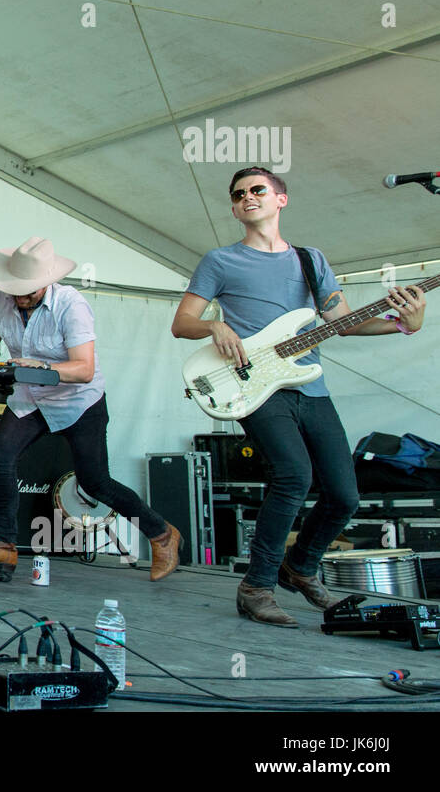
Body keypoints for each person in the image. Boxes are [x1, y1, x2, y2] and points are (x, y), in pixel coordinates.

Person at [172, 166, 425, 626]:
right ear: (234, 208)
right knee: (292, 475)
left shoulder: (311, 260)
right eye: (239, 194)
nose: (248, 196)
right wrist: (213, 324)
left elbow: (342, 322)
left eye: (257, 190)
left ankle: (300, 567)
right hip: (255, 386)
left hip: (311, 385)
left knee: (345, 495)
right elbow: (181, 323)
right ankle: (256, 586)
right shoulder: (220, 261)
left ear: (280, 199)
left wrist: (403, 323)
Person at [0, 236, 182, 580]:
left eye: (28, 289)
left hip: (79, 401)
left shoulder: (72, 304)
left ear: (47, 281)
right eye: (14, 288)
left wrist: (41, 368)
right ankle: (4, 547)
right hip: (30, 399)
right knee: (1, 459)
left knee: (96, 484)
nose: (20, 296)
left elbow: (84, 368)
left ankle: (162, 534)